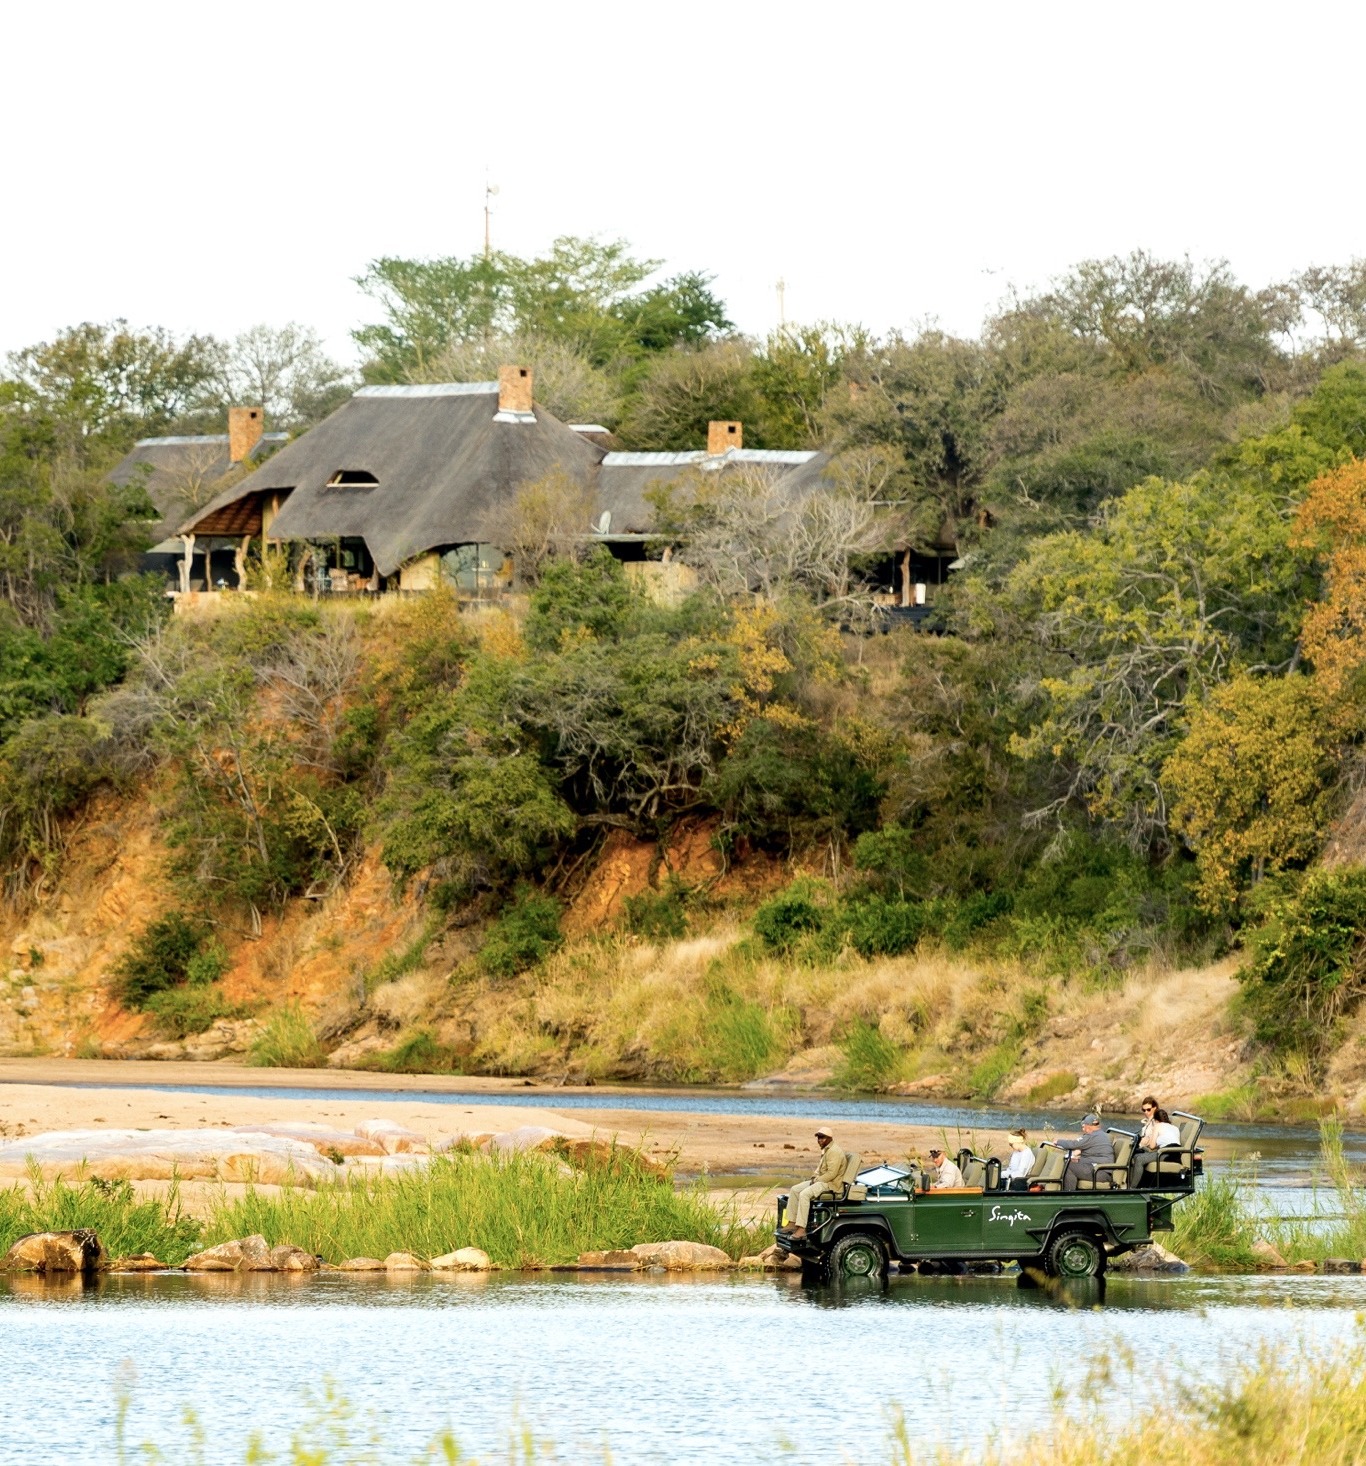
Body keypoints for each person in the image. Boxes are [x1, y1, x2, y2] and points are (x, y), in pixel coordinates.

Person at [780, 1125, 848, 1239]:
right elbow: (820, 1169)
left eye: (822, 1138)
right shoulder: (827, 1150)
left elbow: (831, 1174)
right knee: (795, 1190)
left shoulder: (834, 1152)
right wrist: (814, 1178)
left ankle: (801, 1229)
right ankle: (792, 1222)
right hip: (822, 1180)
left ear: (830, 1138)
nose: (819, 1140)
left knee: (804, 1194)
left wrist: (816, 1180)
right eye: (818, 1138)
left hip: (831, 1184)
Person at [1053, 1113, 1114, 1192]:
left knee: (1069, 1165)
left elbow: (1073, 1144)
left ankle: (1069, 1194)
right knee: (1072, 1162)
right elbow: (1092, 1154)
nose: (1083, 1130)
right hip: (1098, 1169)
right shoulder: (1102, 1135)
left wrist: (1058, 1141)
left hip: (1100, 1172)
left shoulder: (1092, 1136)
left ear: (1088, 1126)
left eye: (1083, 1127)